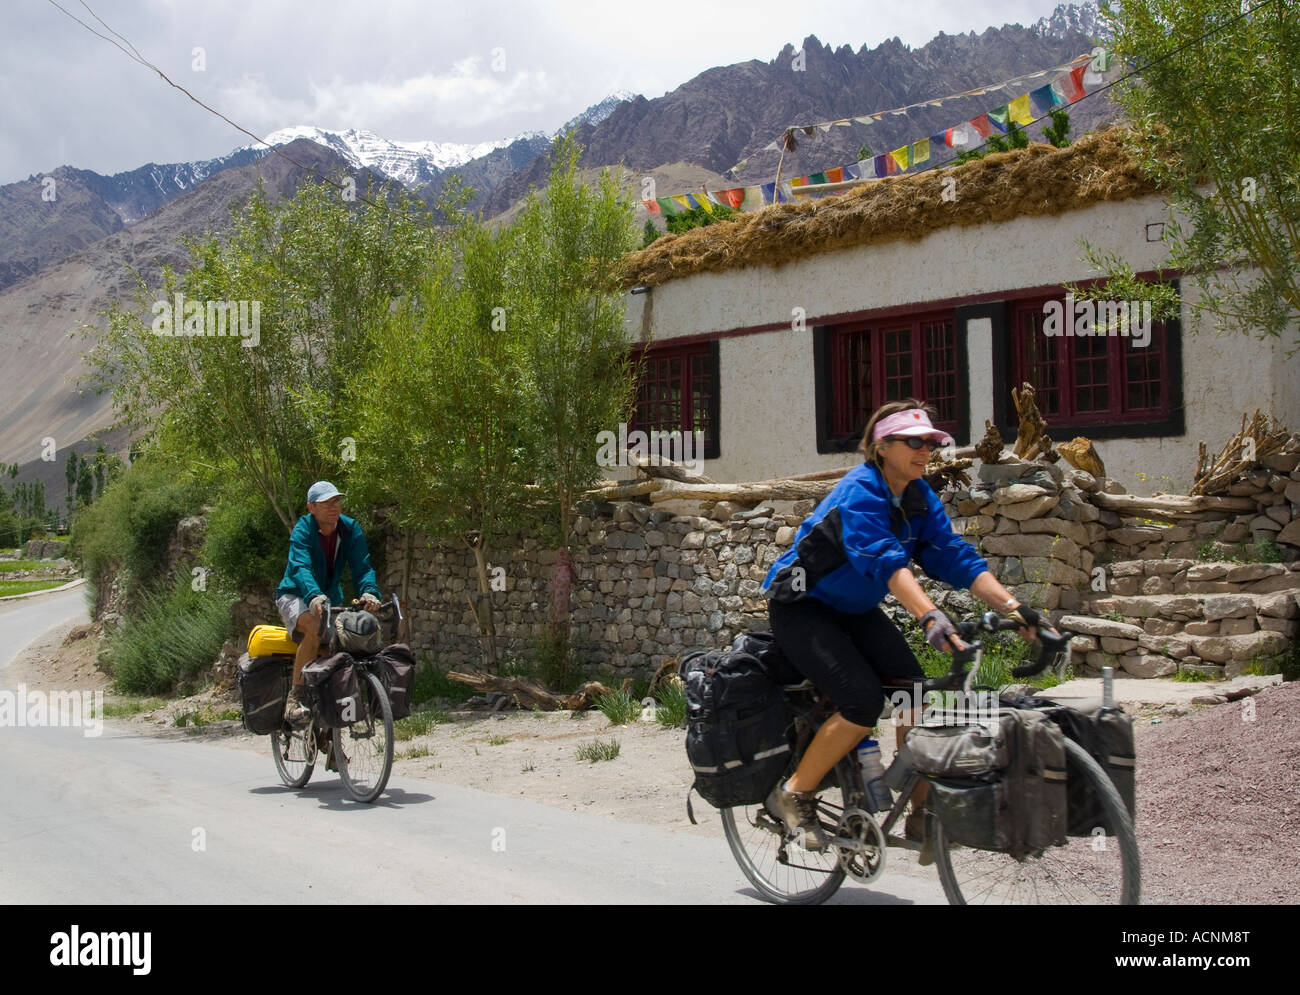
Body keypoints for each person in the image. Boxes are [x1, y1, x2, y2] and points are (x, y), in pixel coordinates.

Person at [761, 399, 1052, 861]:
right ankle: (793, 793)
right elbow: (886, 562)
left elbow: (953, 556)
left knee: (913, 695)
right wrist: (929, 614)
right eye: (914, 442)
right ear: (882, 446)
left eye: (932, 442)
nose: (926, 450)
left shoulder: (918, 496)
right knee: (862, 701)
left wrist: (1016, 609)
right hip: (803, 608)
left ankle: (923, 816)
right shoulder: (860, 491)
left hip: (854, 609)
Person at [275, 481, 382, 727]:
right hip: (295, 594)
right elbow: (300, 567)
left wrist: (370, 592)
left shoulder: (349, 529)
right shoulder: (302, 530)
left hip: (328, 596)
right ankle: (296, 696)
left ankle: (332, 735)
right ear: (311, 507)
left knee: (340, 643)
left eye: (336, 501)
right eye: (326, 503)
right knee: (315, 627)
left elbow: (362, 565)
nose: (334, 507)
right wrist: (313, 595)